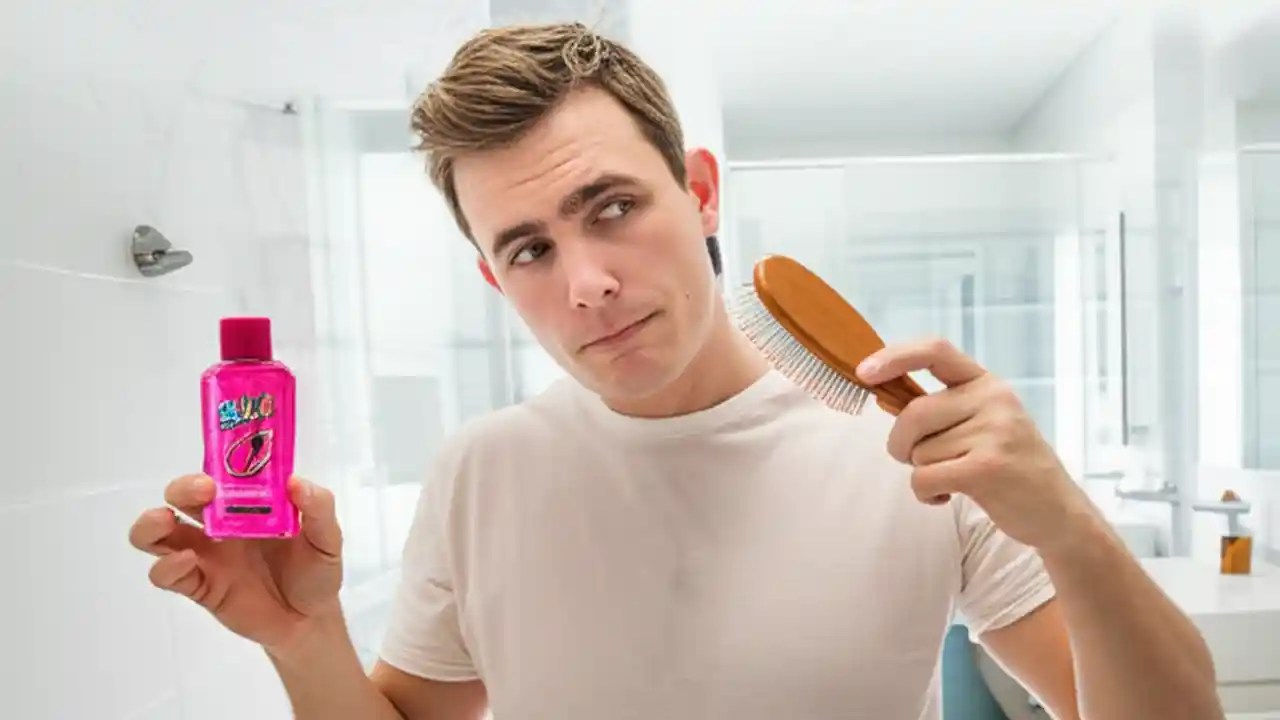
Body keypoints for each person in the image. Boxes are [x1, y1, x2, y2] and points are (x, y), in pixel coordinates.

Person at [129, 21, 1224, 720]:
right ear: (493, 277)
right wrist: (302, 637)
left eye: (611, 207)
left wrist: (1068, 525)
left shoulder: (910, 452)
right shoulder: (480, 472)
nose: (588, 283)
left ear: (699, 191)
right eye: (530, 250)